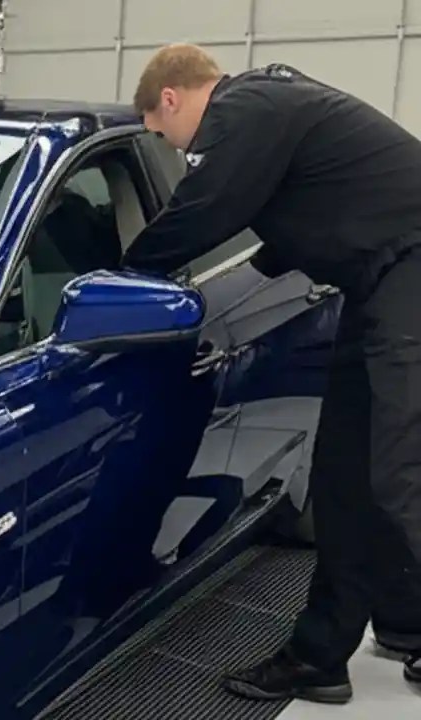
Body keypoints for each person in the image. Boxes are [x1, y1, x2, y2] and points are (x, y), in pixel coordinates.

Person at [122, 43, 421, 704]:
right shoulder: (272, 110)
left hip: (411, 272)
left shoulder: (245, 108)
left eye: (159, 132)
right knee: (350, 475)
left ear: (169, 98)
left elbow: (204, 211)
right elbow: (279, 242)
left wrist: (117, 274)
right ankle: (343, 649)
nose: (168, 146)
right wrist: (220, 298)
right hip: (378, 287)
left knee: (405, 473)